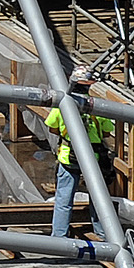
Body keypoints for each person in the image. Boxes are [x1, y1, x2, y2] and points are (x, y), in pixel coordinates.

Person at [46, 70, 97, 240]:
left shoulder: (63, 104)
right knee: (98, 199)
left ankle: (60, 236)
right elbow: (105, 132)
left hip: (69, 156)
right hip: (93, 158)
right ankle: (103, 233)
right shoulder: (95, 105)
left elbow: (52, 127)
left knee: (64, 199)